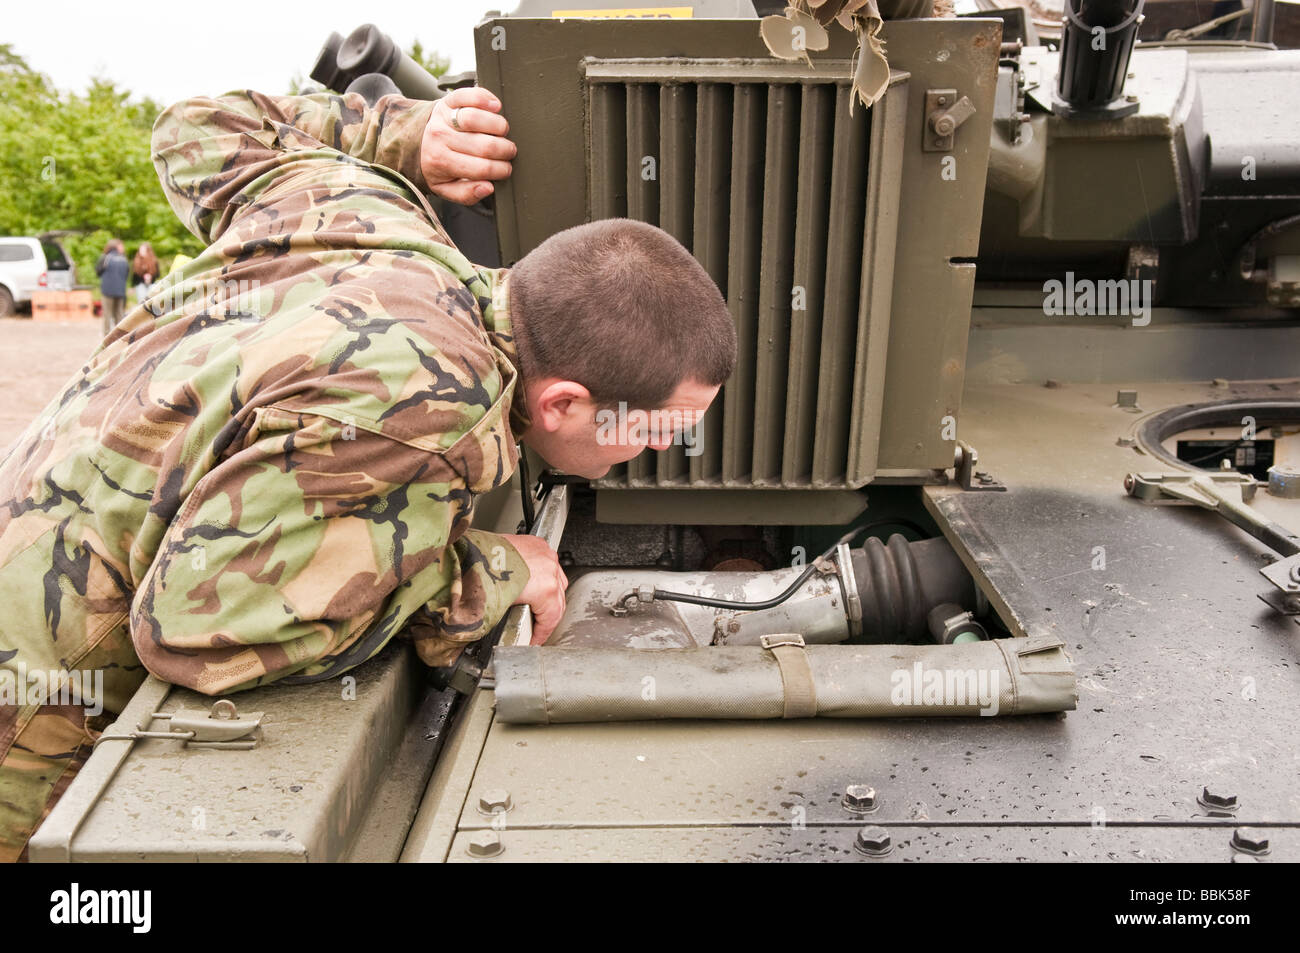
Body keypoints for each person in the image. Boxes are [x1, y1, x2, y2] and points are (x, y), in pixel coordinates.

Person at [0, 86, 736, 861]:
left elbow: (194, 126)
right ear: (562, 402)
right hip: (35, 702)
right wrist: (484, 576)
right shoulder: (434, 410)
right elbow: (191, 632)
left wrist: (402, 135)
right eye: (652, 433)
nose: (653, 453)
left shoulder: (376, 209)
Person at [94, 239, 128, 336]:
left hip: (107, 291)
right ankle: (120, 336)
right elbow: (126, 273)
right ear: (116, 246)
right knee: (119, 314)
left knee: (107, 314)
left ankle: (107, 335)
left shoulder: (105, 258)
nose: (123, 248)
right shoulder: (123, 258)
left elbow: (98, 271)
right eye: (121, 246)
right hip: (121, 290)